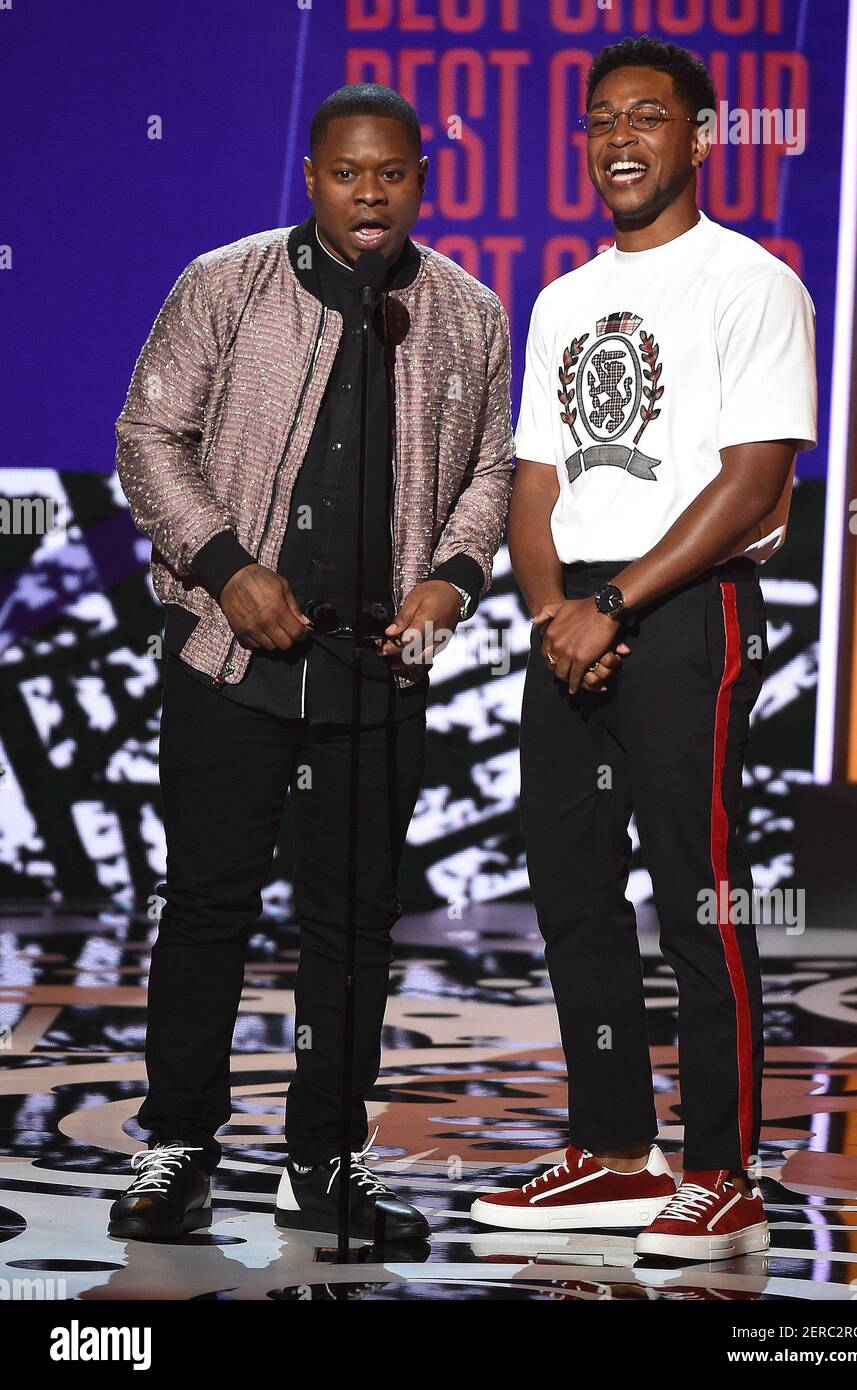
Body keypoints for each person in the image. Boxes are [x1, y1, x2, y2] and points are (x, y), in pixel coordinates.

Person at [111, 83, 513, 1242]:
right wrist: (228, 565)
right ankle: (179, 1145)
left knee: (353, 926)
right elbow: (148, 434)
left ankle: (326, 1160)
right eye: (348, 173)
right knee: (205, 907)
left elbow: (492, 468)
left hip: (379, 670)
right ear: (312, 178)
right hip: (230, 659)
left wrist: (456, 578)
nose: (370, 192)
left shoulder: (470, 312)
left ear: (420, 179)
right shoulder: (223, 284)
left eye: (391, 173)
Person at [471, 36, 816, 1261]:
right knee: (571, 895)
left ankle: (724, 1172)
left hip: (686, 614)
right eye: (602, 119)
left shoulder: (752, 281)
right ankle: (615, 1150)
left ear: (701, 137)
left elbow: (758, 479)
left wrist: (611, 612)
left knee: (697, 897)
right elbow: (534, 479)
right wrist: (554, 610)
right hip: (569, 622)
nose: (620, 139)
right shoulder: (563, 298)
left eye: (649, 118)